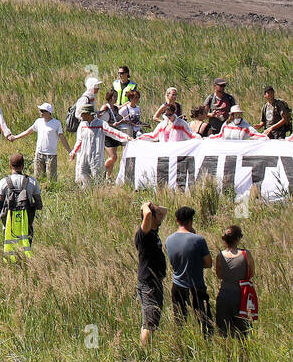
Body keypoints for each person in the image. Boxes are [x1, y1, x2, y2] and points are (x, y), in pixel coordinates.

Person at [165, 206, 213, 336]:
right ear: (191, 220)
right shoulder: (198, 240)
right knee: (204, 321)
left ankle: (181, 343)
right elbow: (209, 263)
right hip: (196, 285)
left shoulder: (169, 240)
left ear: (177, 220)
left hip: (177, 285)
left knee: (180, 321)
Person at [0, 152, 42, 261]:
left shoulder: (4, 182)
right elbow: (39, 204)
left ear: (10, 166)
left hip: (9, 223)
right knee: (26, 247)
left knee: (10, 248)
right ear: (23, 165)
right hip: (26, 224)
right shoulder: (32, 182)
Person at [8, 102, 71, 182]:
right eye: (40, 110)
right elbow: (28, 131)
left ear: (48, 112)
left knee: (51, 179)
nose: (40, 112)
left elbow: (62, 137)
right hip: (39, 154)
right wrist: (15, 137)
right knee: (38, 178)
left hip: (51, 155)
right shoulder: (38, 122)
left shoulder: (56, 123)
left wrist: (70, 151)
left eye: (42, 111)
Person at [135, 201, 169, 347]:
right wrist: (145, 207)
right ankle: (144, 352)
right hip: (149, 283)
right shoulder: (143, 235)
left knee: (152, 320)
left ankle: (147, 349)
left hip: (154, 282)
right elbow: (148, 214)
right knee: (150, 322)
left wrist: (153, 205)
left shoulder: (154, 232)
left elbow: (165, 210)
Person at [70, 106, 131, 186]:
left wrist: (126, 137)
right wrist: (74, 152)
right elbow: (79, 140)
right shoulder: (82, 125)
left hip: (96, 156)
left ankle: (98, 194)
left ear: (90, 114)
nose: (81, 116)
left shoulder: (100, 124)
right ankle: (87, 193)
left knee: (97, 178)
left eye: (83, 114)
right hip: (84, 156)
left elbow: (112, 132)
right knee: (83, 175)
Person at [214, 225, 255, 339]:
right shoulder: (247, 254)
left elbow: (219, 275)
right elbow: (251, 274)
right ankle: (243, 355)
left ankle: (227, 355)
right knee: (243, 334)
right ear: (238, 238)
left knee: (224, 332)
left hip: (224, 297)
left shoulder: (220, 255)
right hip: (242, 297)